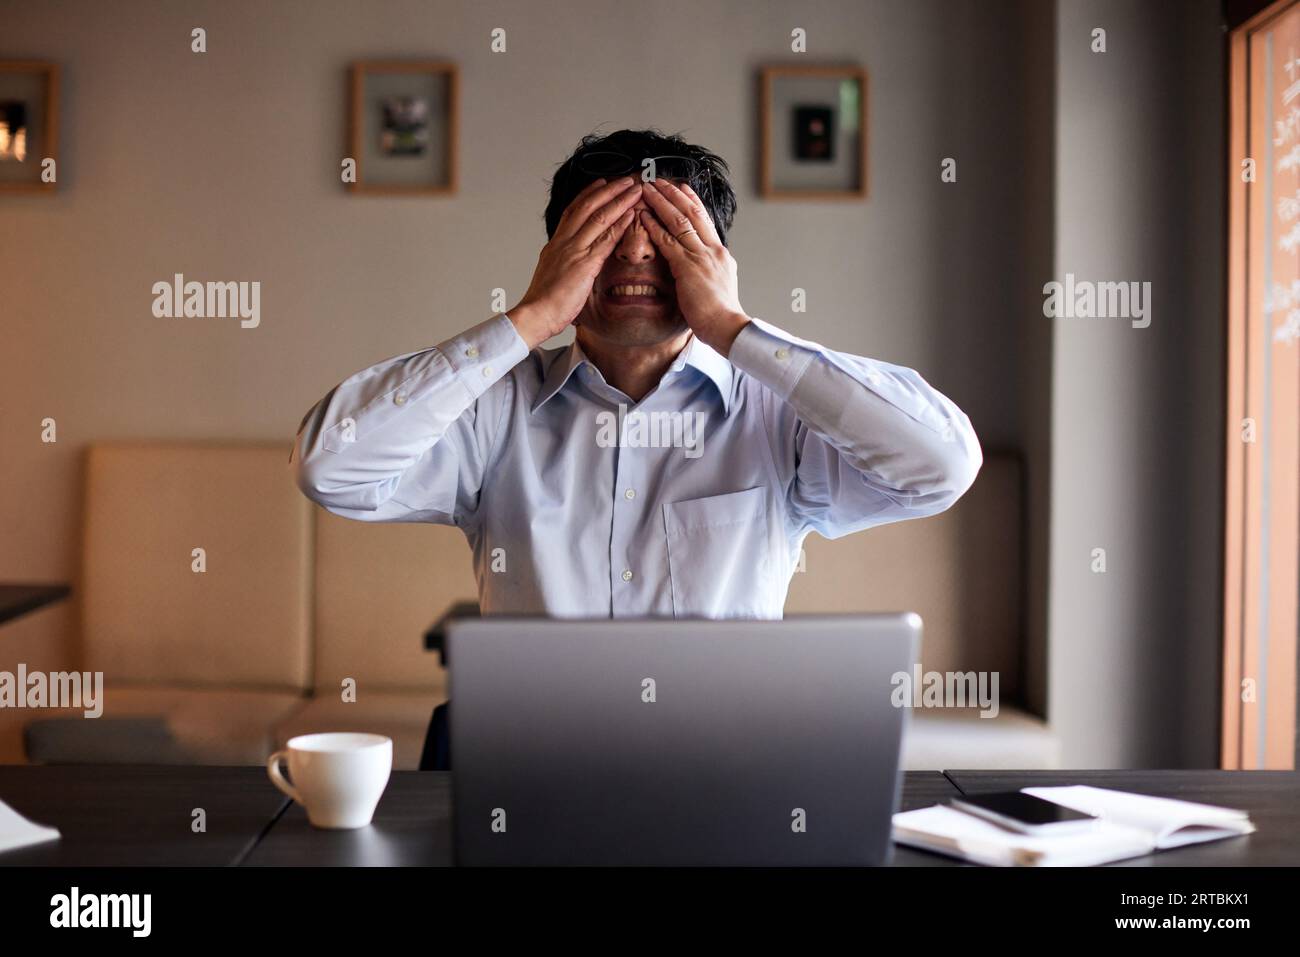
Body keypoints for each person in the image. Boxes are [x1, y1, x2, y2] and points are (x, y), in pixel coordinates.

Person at [293, 128, 981, 622]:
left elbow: (941, 465)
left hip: (726, 780)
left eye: (668, 237)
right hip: (536, 783)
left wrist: (735, 331)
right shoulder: (493, 409)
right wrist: (529, 319)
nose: (633, 255)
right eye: (602, 234)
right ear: (558, 253)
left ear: (715, 259)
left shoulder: (775, 413)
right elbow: (330, 467)